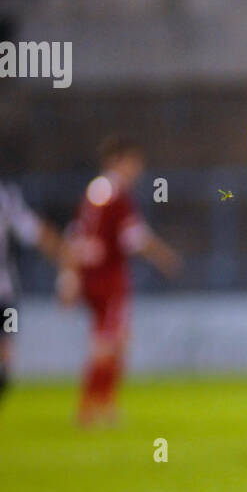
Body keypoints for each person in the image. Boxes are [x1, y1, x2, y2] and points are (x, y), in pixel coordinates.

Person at [60, 137, 181, 425]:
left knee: (112, 338)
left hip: (91, 274)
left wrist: (70, 274)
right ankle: (93, 406)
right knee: (110, 340)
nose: (137, 169)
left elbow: (75, 234)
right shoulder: (116, 195)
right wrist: (165, 257)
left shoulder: (95, 191)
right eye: (133, 162)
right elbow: (135, 238)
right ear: (117, 161)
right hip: (108, 277)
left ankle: (102, 404)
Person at [0, 178, 62, 405]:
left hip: (5, 293)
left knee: (6, 355)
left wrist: (65, 260)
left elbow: (35, 232)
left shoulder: (5, 197)